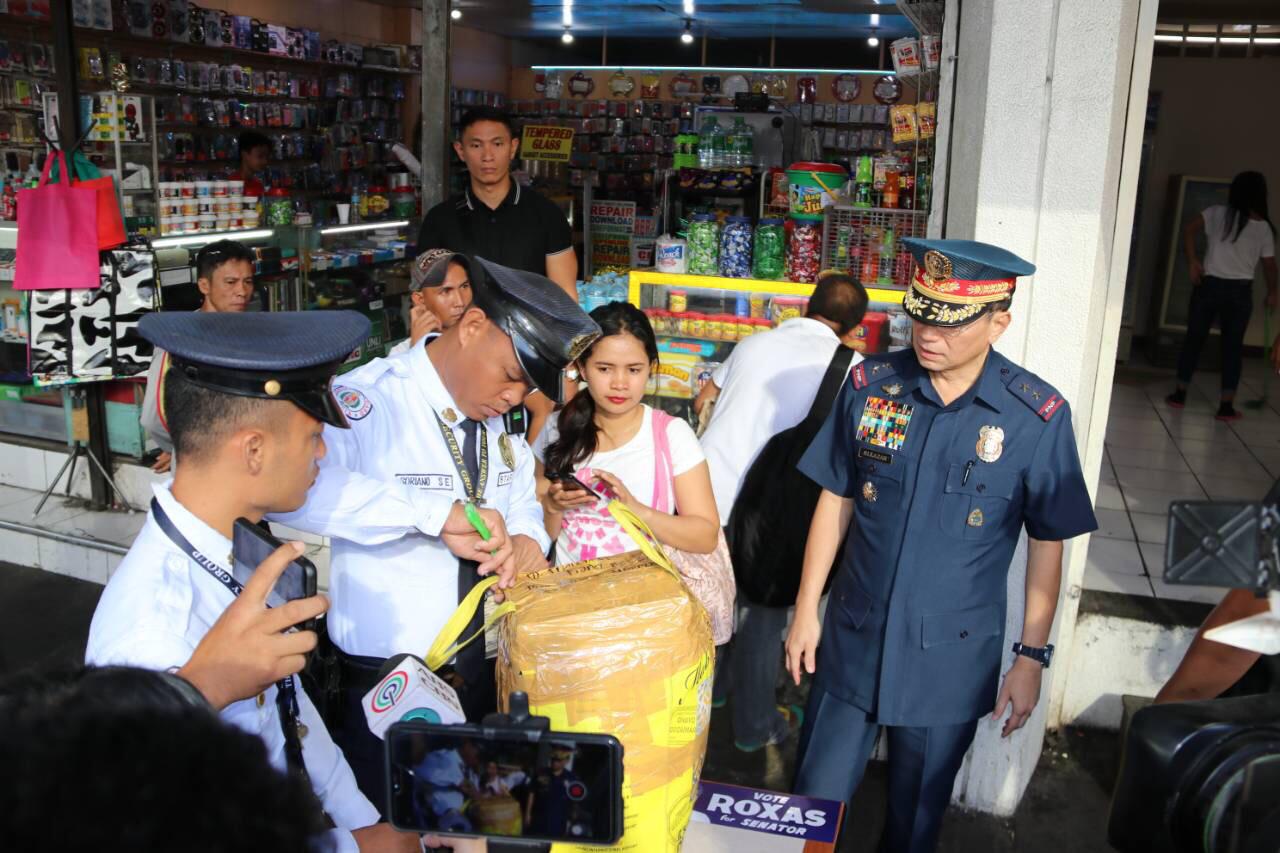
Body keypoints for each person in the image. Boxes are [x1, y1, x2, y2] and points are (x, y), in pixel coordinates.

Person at [784, 239, 1098, 853]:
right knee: (811, 811)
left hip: (948, 662)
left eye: (951, 324)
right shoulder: (872, 385)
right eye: (921, 316)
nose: (928, 335)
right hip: (853, 639)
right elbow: (837, 497)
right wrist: (805, 609)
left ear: (998, 323)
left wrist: (1031, 658)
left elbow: (1047, 544)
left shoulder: (1034, 417)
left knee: (915, 824)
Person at [274, 255, 600, 813]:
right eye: (511, 375)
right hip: (387, 683)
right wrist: (431, 514)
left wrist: (527, 539)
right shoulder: (369, 400)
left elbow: (519, 493)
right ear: (471, 327)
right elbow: (300, 495)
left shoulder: (497, 417)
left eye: (527, 386)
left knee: (470, 823)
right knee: (385, 830)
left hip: (479, 673)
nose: (514, 397)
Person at [86, 310, 417, 853]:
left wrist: (365, 821)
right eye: (314, 435)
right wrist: (363, 847)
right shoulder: (156, 634)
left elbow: (292, 711)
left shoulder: (237, 550)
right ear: (254, 450)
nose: (322, 452)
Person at [694, 270, 869, 752]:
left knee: (714, 605)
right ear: (856, 327)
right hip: (768, 510)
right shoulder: (853, 368)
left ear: (808, 306)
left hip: (706, 494)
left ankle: (716, 694)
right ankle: (755, 727)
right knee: (761, 617)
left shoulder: (754, 343)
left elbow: (705, 397)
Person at [417, 106, 578, 441]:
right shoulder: (440, 220)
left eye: (497, 144)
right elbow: (426, 299)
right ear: (460, 150)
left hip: (526, 358)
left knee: (527, 448)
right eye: (476, 145)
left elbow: (564, 296)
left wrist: (565, 366)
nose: (487, 156)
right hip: (460, 358)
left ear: (513, 147)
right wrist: (422, 347)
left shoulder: (546, 215)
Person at [534, 302, 719, 566]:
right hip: (568, 590)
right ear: (582, 368)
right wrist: (552, 507)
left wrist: (637, 510)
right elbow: (536, 538)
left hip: (643, 591)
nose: (619, 384)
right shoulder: (556, 427)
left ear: (651, 368)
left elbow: (705, 536)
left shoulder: (671, 434)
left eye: (633, 370)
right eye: (604, 369)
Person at [1167, 171, 1277, 422]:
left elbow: (1189, 230)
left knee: (1194, 339)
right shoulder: (1263, 228)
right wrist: (1273, 292)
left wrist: (1193, 261)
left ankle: (1179, 394)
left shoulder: (1217, 213)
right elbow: (1270, 266)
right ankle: (1226, 407)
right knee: (1232, 347)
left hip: (1209, 287)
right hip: (1240, 292)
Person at [140, 239, 257, 474]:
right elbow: (155, 418)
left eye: (248, 281)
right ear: (204, 285)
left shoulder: (256, 334)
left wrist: (177, 447)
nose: (242, 292)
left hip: (244, 464)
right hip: (205, 469)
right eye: (231, 282)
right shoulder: (177, 340)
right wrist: (181, 446)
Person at [389, 248, 474, 357]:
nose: (460, 302)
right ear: (420, 300)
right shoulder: (400, 356)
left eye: (464, 286)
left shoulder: (488, 340)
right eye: (446, 291)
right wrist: (417, 352)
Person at [236, 130, 271, 198]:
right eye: (260, 156)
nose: (265, 161)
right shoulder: (232, 184)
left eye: (267, 157)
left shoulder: (258, 184)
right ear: (244, 154)